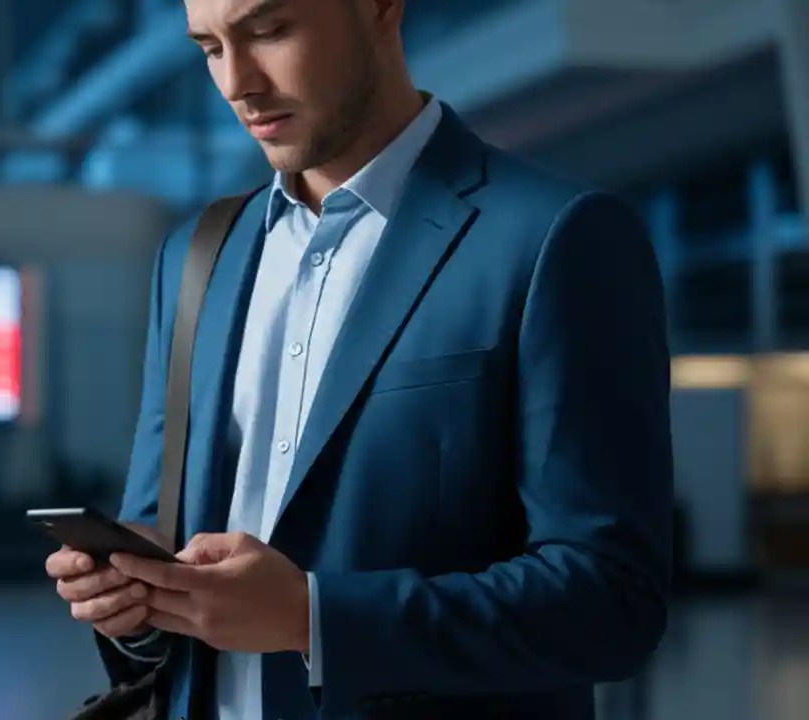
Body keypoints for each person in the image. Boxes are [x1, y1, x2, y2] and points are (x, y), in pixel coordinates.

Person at [45, 0, 673, 717]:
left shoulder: (556, 238)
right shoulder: (196, 257)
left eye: (269, 31)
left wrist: (311, 617)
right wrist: (132, 595)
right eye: (210, 48)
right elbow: (158, 532)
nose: (237, 83)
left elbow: (611, 601)